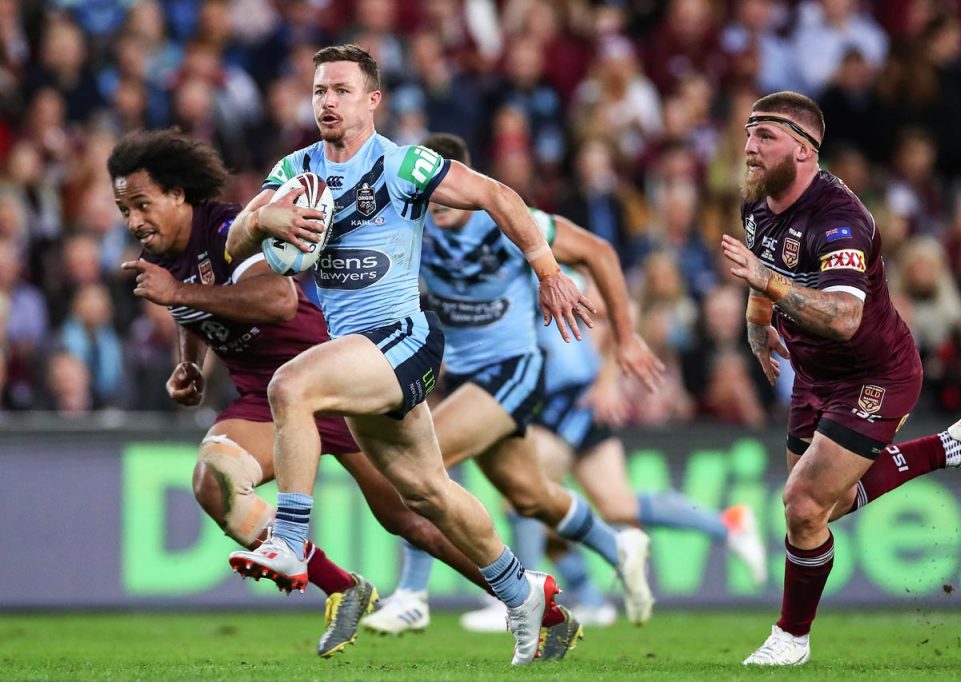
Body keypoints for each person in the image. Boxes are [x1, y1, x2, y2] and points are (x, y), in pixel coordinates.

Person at [107, 129, 573, 662]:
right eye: (124, 210)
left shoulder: (224, 228)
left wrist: (182, 291)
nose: (134, 221)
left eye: (141, 204)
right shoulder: (164, 255)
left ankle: (536, 607)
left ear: (177, 194)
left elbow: (277, 299)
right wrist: (190, 362)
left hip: (330, 373)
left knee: (415, 514)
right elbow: (190, 306)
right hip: (268, 396)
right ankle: (342, 586)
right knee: (213, 484)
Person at [223, 45, 591, 666]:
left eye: (341, 90)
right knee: (427, 494)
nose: (327, 102)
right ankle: (526, 596)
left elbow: (499, 195)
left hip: (403, 338)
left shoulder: (404, 165)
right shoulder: (295, 170)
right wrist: (264, 223)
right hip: (359, 354)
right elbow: (235, 243)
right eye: (319, 91)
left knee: (290, 387)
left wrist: (548, 271)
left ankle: (287, 538)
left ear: (373, 100)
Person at [722, 91, 961, 666]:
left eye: (765, 136)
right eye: (749, 134)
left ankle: (791, 639)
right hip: (814, 373)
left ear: (804, 150)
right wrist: (757, 323)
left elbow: (844, 318)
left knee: (804, 505)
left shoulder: (840, 219)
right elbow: (762, 266)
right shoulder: (757, 200)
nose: (750, 147)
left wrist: (768, 286)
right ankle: (952, 446)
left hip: (875, 374)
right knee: (818, 507)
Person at [361, 133, 663, 636]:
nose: (438, 201)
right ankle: (619, 547)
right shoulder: (412, 226)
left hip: (514, 370)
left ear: (461, 183)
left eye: (444, 189)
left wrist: (627, 338)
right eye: (428, 192)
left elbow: (598, 251)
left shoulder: (508, 220)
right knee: (531, 497)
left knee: (423, 461)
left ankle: (413, 594)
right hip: (465, 378)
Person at [458, 272, 767, 632]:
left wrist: (608, 381)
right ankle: (725, 527)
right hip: (554, 400)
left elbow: (624, 310)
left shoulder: (553, 260)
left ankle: (522, 599)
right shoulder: (504, 266)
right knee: (613, 506)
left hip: (570, 399)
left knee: (524, 494)